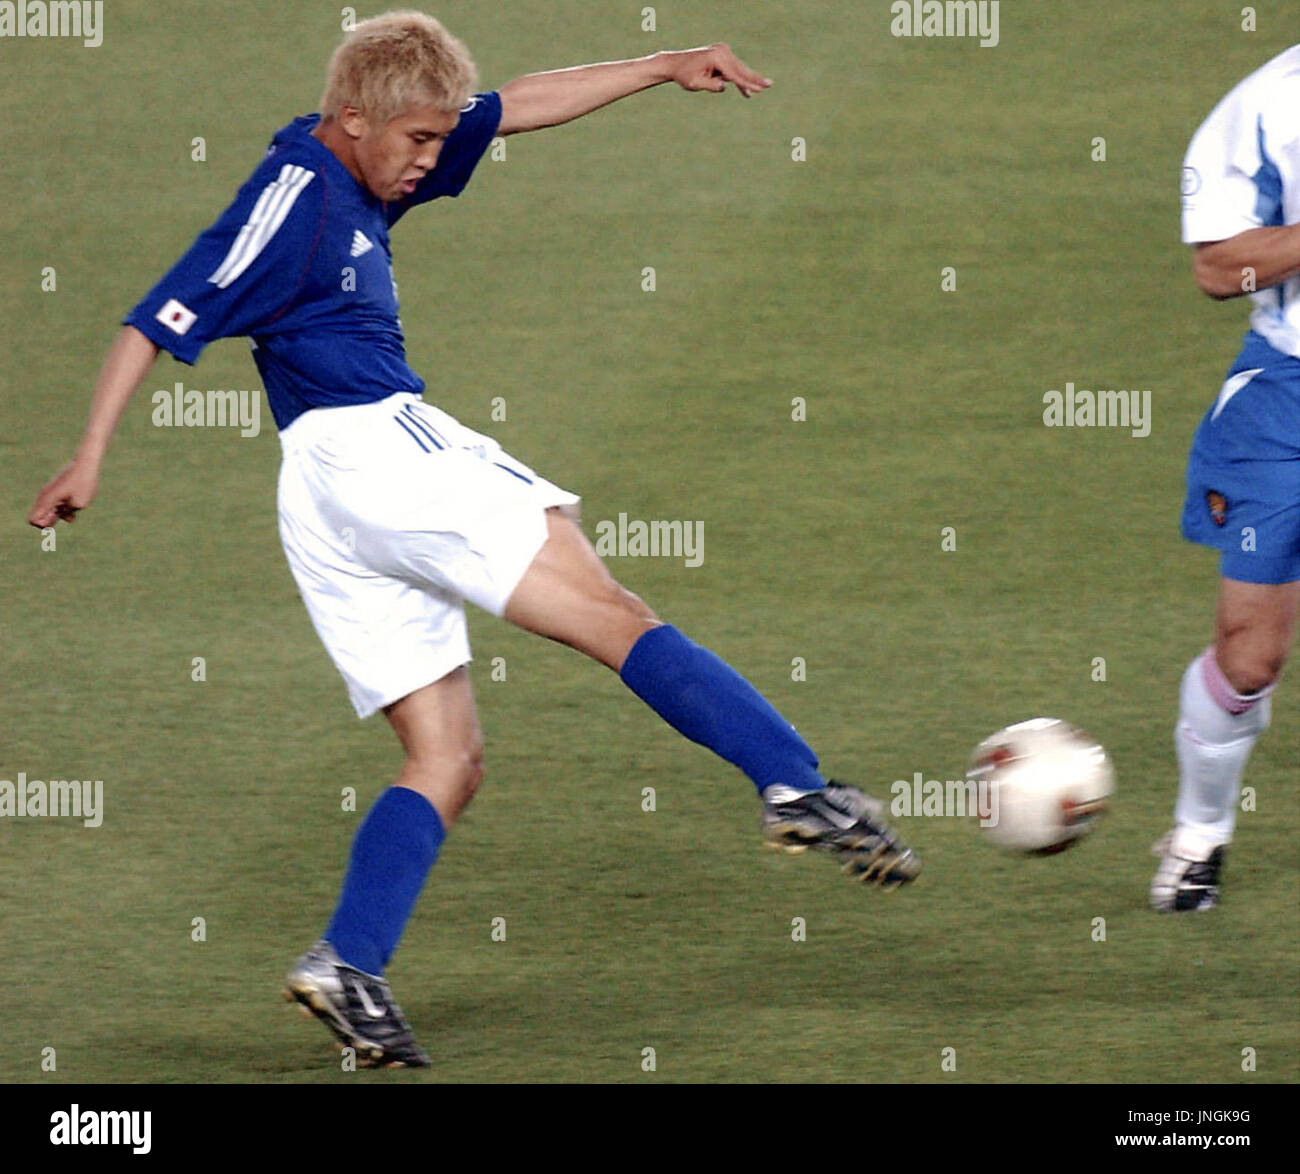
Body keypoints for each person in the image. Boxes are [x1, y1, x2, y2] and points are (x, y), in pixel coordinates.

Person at [28, 11, 919, 1067]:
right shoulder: (296, 202)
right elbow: (158, 316)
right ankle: (793, 783)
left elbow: (518, 105)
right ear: (351, 120)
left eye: (439, 141)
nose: (429, 162)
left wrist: (665, 67)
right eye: (414, 143)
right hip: (379, 455)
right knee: (609, 609)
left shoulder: (361, 154)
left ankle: (347, 965)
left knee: (446, 757)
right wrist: (91, 455)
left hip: (330, 498)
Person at [1153, 44, 1300, 912]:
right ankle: (1200, 832)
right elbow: (1218, 267)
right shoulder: (1267, 106)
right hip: (1287, 395)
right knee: (1249, 658)